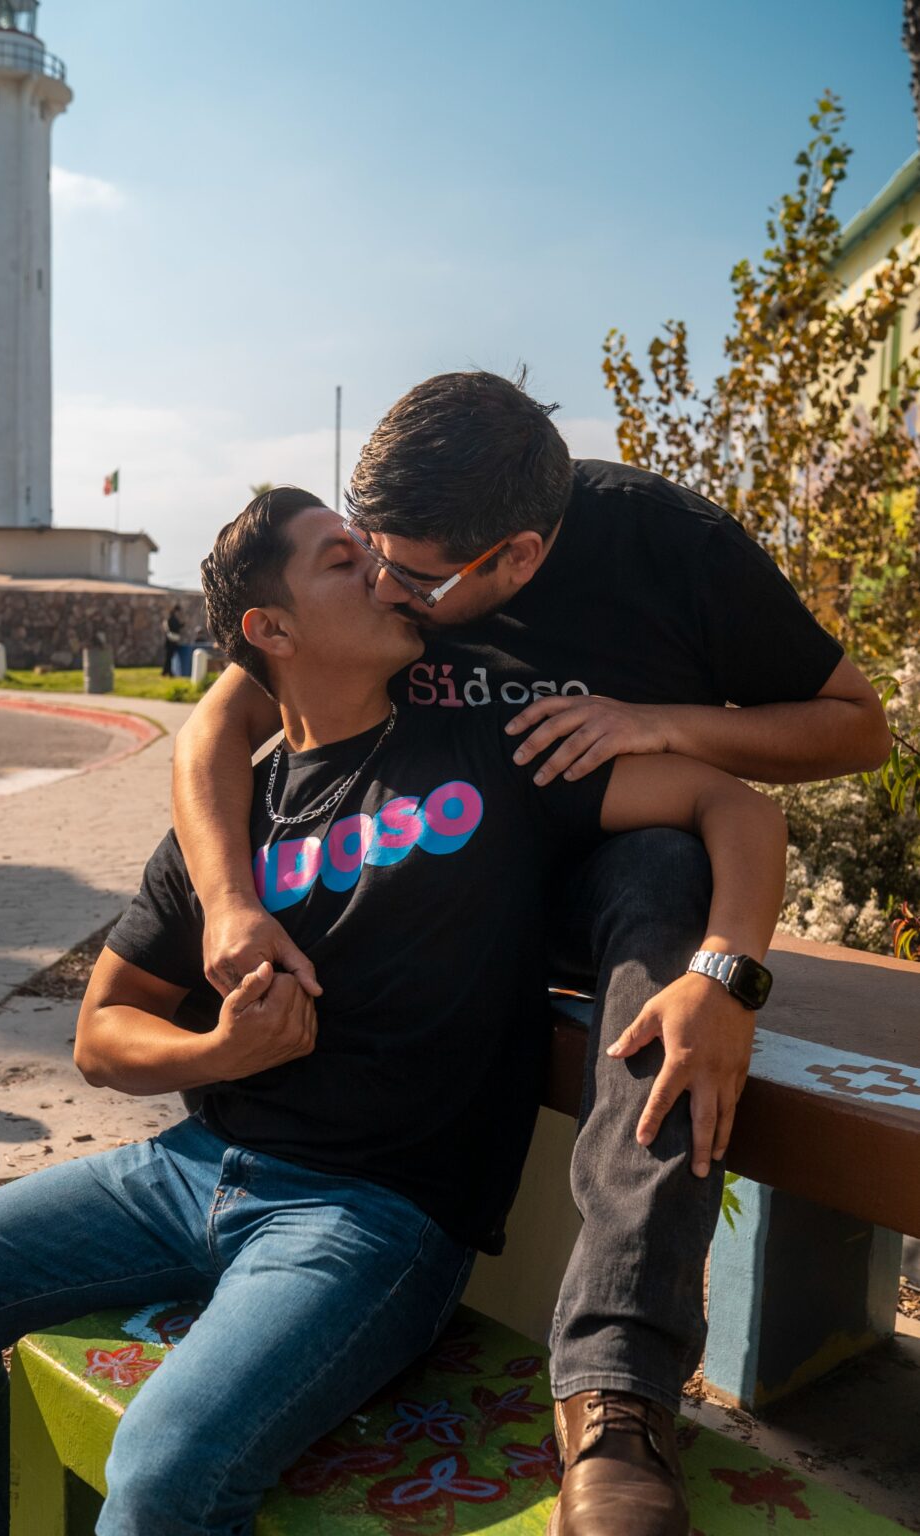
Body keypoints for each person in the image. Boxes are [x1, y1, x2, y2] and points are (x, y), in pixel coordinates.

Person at [0, 490, 789, 1536]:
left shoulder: (490, 748)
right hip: (180, 1173)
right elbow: (102, 1030)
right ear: (269, 631)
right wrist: (218, 1051)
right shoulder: (234, 821)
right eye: (338, 560)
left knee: (163, 1472)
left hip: (368, 1218)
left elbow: (733, 807)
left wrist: (723, 975)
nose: (379, 568)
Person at [169, 376, 892, 1536]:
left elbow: (858, 724)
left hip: (610, 874)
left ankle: (615, 1391)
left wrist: (667, 735)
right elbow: (220, 725)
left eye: (413, 577)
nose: (384, 589)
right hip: (451, 881)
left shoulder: (671, 545)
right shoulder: (392, 566)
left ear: (514, 555)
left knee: (664, 872)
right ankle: (256, 1234)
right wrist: (222, 904)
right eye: (369, 556)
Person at [161, 602, 184, 676]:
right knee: (169, 657)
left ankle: (167, 672)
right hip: (171, 641)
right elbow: (173, 627)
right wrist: (180, 625)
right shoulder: (171, 618)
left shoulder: (172, 618)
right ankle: (167, 672)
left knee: (169, 657)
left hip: (171, 640)